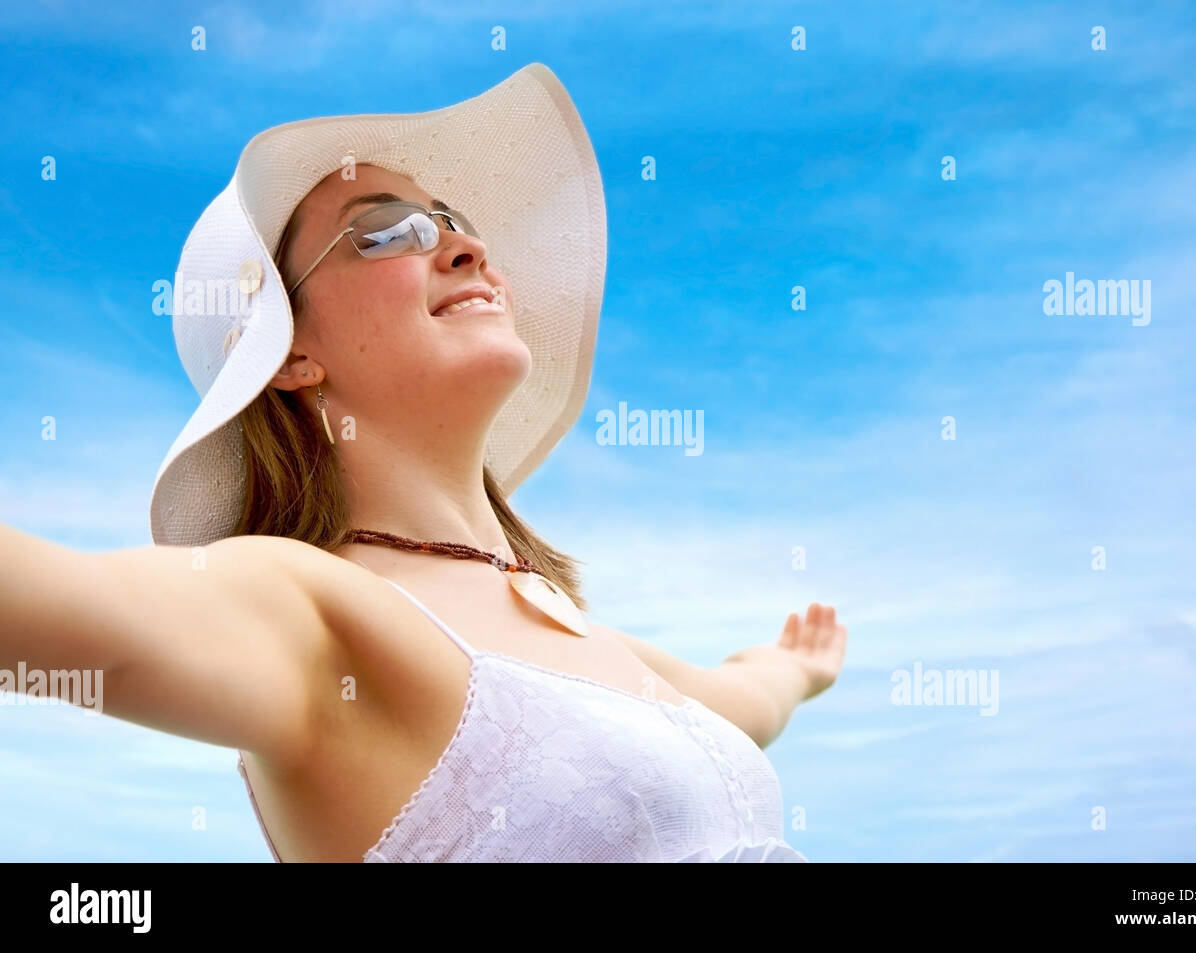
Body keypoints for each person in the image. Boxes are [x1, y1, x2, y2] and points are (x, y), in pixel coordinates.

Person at [0, 63, 846, 862]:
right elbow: (54, 606)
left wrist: (795, 667)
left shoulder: (584, 637)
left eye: (452, 221)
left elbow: (744, 699)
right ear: (289, 354)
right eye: (381, 231)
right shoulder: (308, 611)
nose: (461, 246)